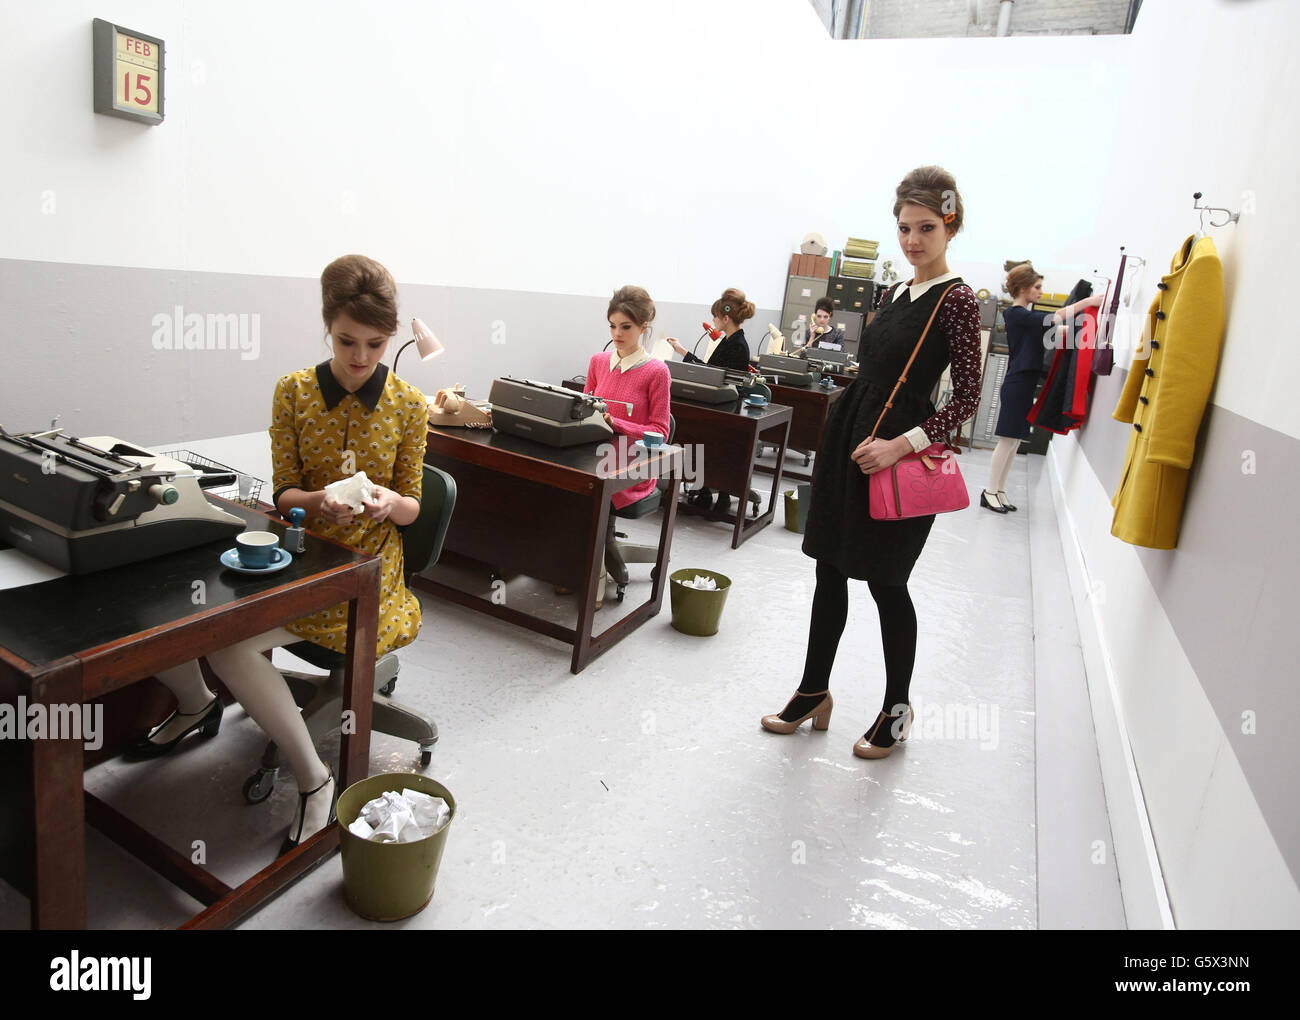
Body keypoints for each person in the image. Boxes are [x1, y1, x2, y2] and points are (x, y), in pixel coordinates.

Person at [128, 254, 429, 853]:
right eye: (347, 340)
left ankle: (316, 785)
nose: (361, 357)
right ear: (327, 326)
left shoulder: (409, 406)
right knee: (181, 620)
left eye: (375, 344)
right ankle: (196, 704)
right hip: (301, 559)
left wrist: (389, 501)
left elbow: (414, 506)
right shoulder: (293, 392)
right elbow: (283, 491)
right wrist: (320, 502)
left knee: (233, 647)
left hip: (369, 577)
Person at [760, 166, 983, 760]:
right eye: (905, 228)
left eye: (926, 227)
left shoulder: (958, 301)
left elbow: (965, 398)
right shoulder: (892, 293)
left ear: (950, 225)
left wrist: (900, 444)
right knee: (828, 571)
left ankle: (897, 711)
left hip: (897, 457)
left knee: (887, 584)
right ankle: (813, 691)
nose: (913, 240)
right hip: (850, 442)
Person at [566, 285, 671, 608]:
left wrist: (616, 423)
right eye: (612, 326)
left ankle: (590, 583)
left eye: (626, 327)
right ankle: (570, 571)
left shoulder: (657, 372)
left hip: (633, 464)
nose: (617, 333)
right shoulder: (598, 361)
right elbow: (584, 412)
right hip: (595, 455)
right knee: (561, 487)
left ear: (643, 327)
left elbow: (660, 432)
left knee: (590, 496)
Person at [982, 263, 1103, 512]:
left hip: (1025, 383)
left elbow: (1062, 329)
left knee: (1015, 442)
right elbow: (1056, 318)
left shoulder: (1029, 319)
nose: (1040, 292)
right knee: (1007, 441)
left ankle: (999, 490)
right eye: (1037, 287)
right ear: (1024, 288)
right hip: (1017, 384)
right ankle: (989, 491)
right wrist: (1090, 300)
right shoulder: (1016, 314)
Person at [668, 288, 755, 514]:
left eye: (715, 316)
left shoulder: (737, 345)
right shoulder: (728, 341)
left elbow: (716, 376)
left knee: (714, 444)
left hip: (727, 407)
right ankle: (704, 491)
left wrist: (684, 353)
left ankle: (722, 495)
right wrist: (682, 351)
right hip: (719, 402)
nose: (713, 320)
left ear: (725, 318)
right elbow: (711, 372)